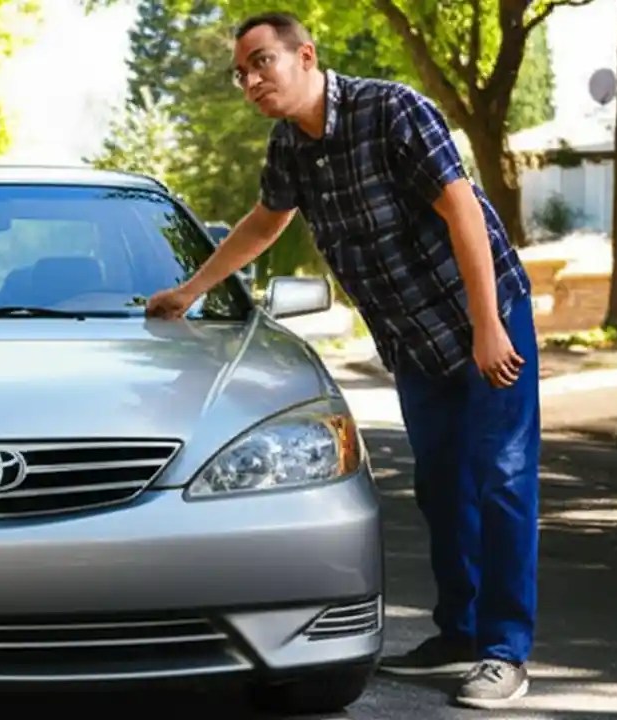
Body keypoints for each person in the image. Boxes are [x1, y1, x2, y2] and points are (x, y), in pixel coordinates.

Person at [144, 11, 540, 710]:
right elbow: (266, 222)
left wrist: (487, 327)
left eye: (262, 62)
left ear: (305, 55)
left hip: (484, 322)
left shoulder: (392, 112)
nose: (251, 80)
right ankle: (459, 635)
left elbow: (463, 212)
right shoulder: (290, 147)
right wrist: (189, 290)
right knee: (441, 487)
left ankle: (504, 652)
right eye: (241, 72)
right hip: (414, 342)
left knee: (499, 480)